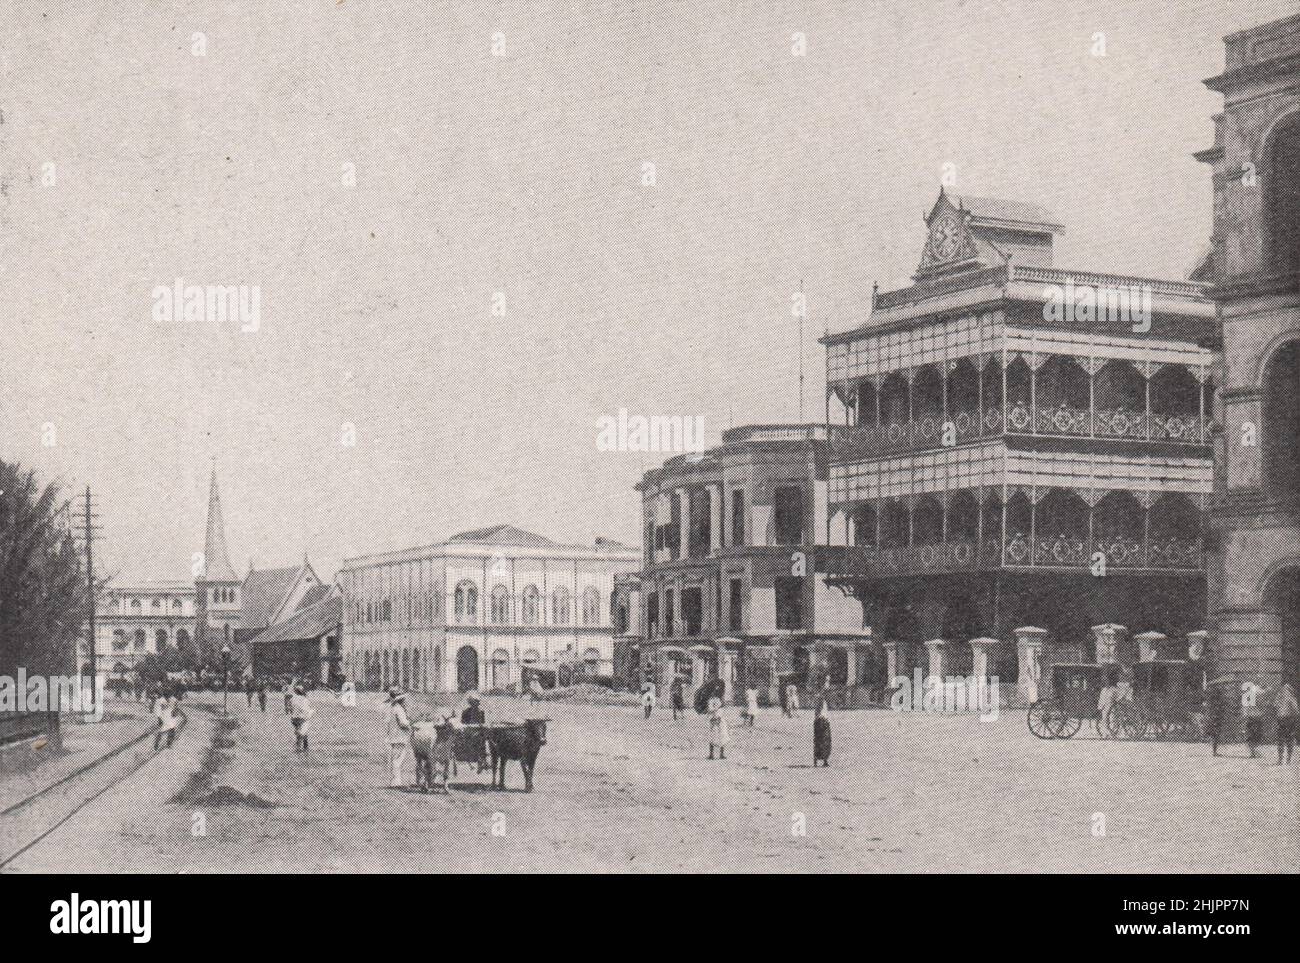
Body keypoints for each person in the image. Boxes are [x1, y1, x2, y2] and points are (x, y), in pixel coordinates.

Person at [384, 686, 411, 788]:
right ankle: (396, 781)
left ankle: (395, 780)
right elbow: (403, 723)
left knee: (395, 760)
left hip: (392, 737)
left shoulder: (391, 708)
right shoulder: (399, 710)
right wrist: (411, 725)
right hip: (400, 737)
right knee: (398, 760)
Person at [1274, 681, 1298, 765]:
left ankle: (1280, 759)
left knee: (1280, 739)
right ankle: (1288, 759)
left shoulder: (1279, 698)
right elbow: (1296, 711)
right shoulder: (1292, 698)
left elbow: (1275, 706)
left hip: (1281, 720)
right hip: (1290, 720)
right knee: (1290, 739)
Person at [1243, 679, 1266, 759]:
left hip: (1251, 716)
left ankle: (1252, 751)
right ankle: (1254, 751)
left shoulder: (1248, 693)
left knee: (1250, 734)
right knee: (1257, 734)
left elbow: (1245, 705)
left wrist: (1245, 714)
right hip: (1258, 716)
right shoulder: (1261, 692)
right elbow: (1263, 705)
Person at [289, 684, 314, 753]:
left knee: (298, 732)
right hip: (303, 718)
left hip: (294, 719)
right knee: (304, 732)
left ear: (295, 691)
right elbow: (308, 709)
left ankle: (298, 747)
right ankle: (305, 747)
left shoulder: (292, 699)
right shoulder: (305, 699)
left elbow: (290, 709)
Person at [1204, 683, 1227, 757]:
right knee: (1215, 736)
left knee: (1214, 736)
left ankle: (1214, 751)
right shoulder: (1219, 702)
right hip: (1216, 719)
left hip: (1211, 719)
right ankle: (1214, 751)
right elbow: (1222, 710)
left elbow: (1208, 710)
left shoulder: (1210, 702)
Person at [707, 695, 728, 760]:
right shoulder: (712, 700)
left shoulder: (718, 700)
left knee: (722, 736)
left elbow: (717, 711)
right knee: (713, 737)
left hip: (720, 721)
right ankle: (712, 755)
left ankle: (720, 754)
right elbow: (710, 709)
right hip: (715, 721)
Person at [813, 699, 832, 767]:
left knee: (819, 741)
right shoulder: (821, 699)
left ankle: (818, 760)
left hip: (819, 721)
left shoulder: (821, 699)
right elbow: (820, 711)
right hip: (822, 721)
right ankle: (824, 760)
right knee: (824, 741)